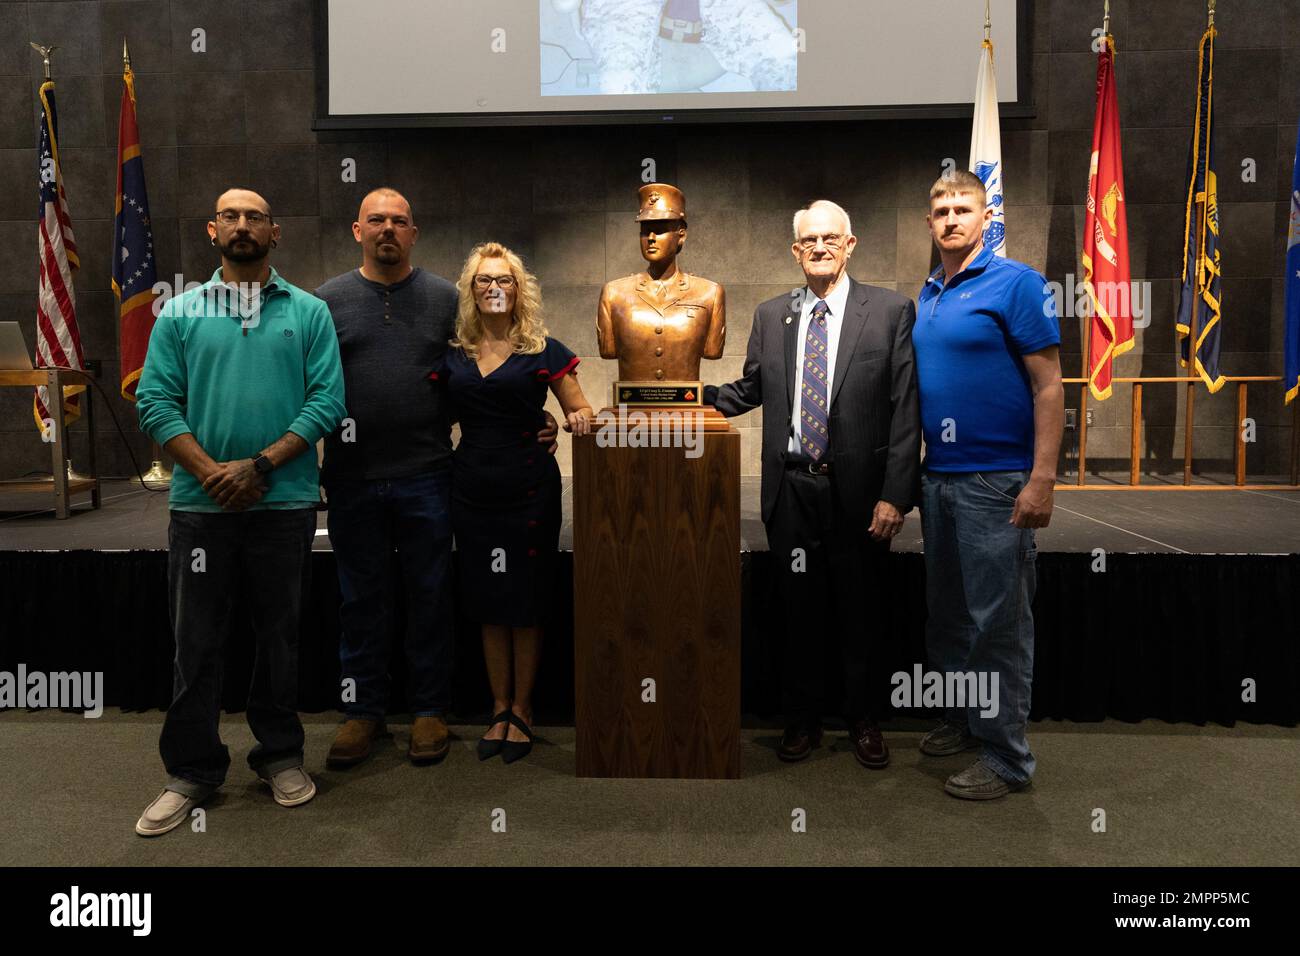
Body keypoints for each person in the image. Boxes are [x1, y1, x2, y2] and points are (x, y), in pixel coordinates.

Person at [315, 189, 559, 769]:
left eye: (399, 222)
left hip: (428, 474)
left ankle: (430, 709)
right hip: (352, 477)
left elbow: (487, 365)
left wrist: (532, 414)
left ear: (414, 232)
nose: (388, 230)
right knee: (360, 599)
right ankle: (362, 712)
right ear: (357, 230)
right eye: (377, 221)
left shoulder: (446, 299)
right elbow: (311, 382)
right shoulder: (324, 302)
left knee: (430, 596)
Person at [133, 189, 346, 836]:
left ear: (275, 233)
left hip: (281, 505)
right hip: (201, 511)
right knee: (195, 644)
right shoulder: (179, 313)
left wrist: (256, 468)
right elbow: (155, 402)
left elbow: (327, 401)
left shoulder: (308, 311)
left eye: (256, 217)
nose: (244, 225)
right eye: (232, 215)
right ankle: (192, 771)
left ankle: (278, 755)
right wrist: (212, 473)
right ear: (212, 230)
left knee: (279, 641)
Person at [705, 200, 921, 767]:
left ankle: (861, 718)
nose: (819, 247)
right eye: (808, 241)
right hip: (791, 491)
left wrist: (897, 494)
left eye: (831, 238)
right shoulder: (771, 313)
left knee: (860, 611)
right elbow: (748, 390)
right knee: (797, 612)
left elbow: (906, 411)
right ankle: (800, 720)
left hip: (860, 495)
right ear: (795, 251)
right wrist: (678, 397)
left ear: (851, 245)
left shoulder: (892, 311)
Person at [913, 169, 1064, 800]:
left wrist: (1043, 480)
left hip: (996, 483)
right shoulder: (928, 293)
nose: (951, 218)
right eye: (941, 209)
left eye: (963, 209)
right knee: (951, 617)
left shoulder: (1018, 283)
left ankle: (1007, 759)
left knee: (998, 623)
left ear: (985, 218)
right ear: (930, 222)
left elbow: (1049, 386)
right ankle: (964, 719)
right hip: (938, 479)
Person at [431, 242, 593, 763]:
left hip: (529, 494)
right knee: (486, 603)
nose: (494, 287)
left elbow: (580, 408)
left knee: (525, 603)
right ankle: (497, 707)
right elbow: (433, 416)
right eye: (484, 280)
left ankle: (523, 709)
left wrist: (569, 422)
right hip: (471, 491)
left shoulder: (543, 350)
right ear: (471, 291)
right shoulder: (453, 353)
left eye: (504, 280)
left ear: (518, 290)